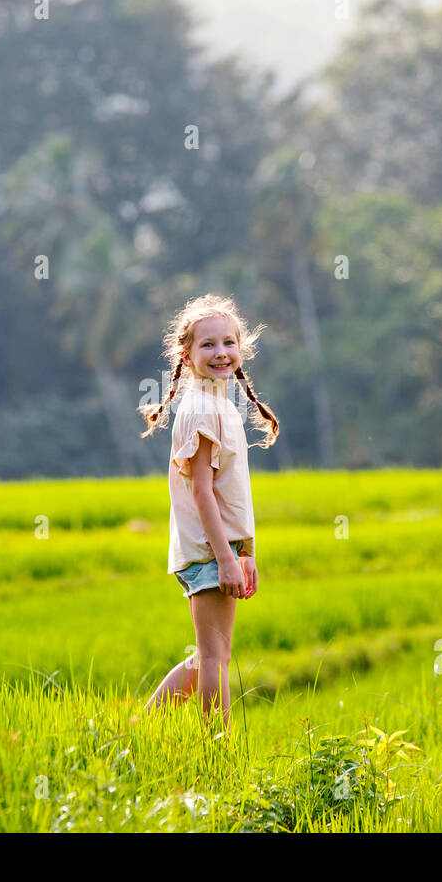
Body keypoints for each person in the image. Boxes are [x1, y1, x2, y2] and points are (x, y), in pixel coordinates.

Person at [136, 294, 280, 734]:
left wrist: (244, 550)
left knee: (206, 656)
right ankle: (215, 748)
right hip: (206, 552)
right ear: (187, 354)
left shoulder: (220, 404)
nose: (220, 353)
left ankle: (139, 731)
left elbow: (230, 494)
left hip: (219, 548)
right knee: (216, 657)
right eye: (208, 345)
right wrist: (224, 558)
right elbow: (201, 493)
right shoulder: (201, 409)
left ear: (241, 349)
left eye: (228, 343)